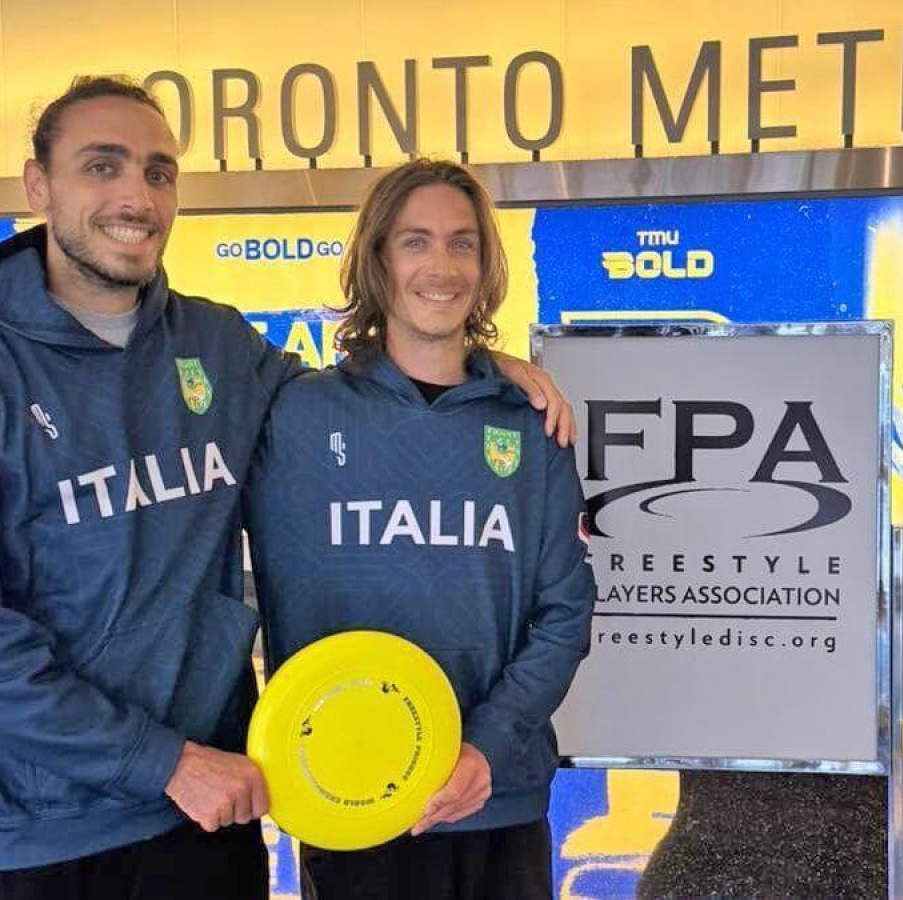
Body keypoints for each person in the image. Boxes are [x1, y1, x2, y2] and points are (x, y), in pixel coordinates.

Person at [0, 76, 574, 899]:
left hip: (204, 815)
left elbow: (373, 397)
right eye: (101, 167)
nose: (135, 196)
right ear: (38, 186)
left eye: (157, 171)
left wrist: (480, 365)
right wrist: (162, 762)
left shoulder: (215, 347)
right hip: (35, 828)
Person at [246, 159, 596, 900]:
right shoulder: (292, 413)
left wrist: (485, 749)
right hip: (351, 795)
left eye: (462, 244)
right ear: (376, 259)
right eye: (416, 242)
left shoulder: (533, 427)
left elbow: (564, 615)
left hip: (496, 800)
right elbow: (144, 354)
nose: (442, 266)